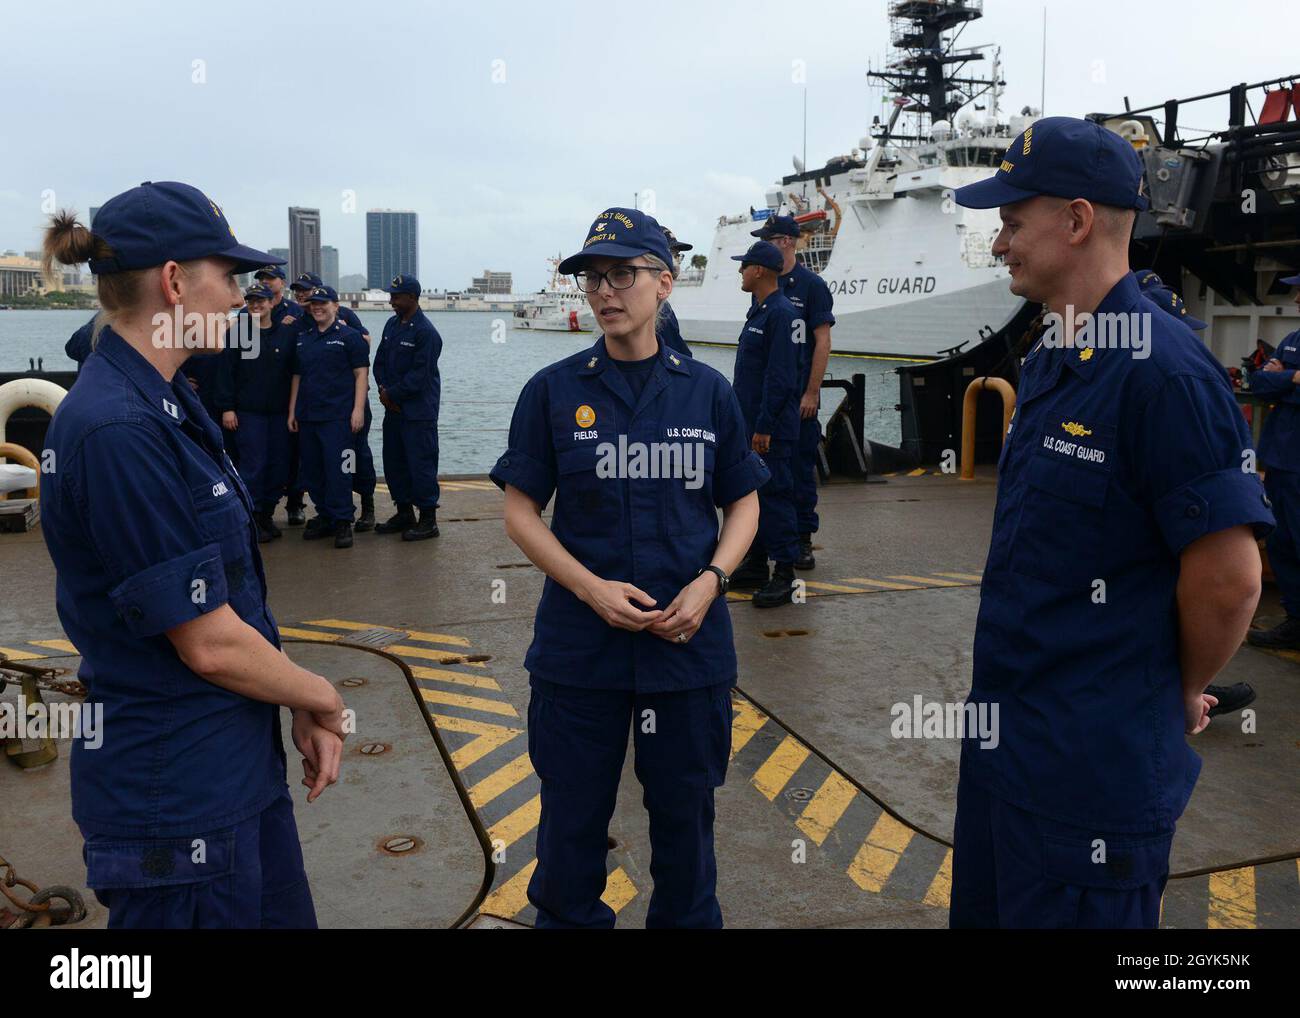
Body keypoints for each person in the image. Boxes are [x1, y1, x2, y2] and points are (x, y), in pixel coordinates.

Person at [948, 117, 1274, 929]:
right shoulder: (1056, 355)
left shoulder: (1165, 374)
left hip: (1089, 787)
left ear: (1078, 220)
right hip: (1007, 757)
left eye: (1013, 222)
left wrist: (1175, 688)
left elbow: (1231, 581)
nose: (1000, 245)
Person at [38, 182, 345, 929]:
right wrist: (321, 697)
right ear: (175, 283)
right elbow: (207, 641)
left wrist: (288, 698)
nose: (242, 297)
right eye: (229, 277)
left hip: (233, 777)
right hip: (177, 807)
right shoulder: (118, 430)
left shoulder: (165, 401)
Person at [489, 207, 767, 928]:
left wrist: (713, 581)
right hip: (581, 658)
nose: (605, 291)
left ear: (665, 283)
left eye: (622, 274)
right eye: (592, 278)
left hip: (686, 654)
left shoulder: (708, 392)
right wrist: (588, 588)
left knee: (686, 841)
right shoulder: (552, 392)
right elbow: (521, 512)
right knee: (570, 838)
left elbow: (743, 504)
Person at [750, 214, 835, 571]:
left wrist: (812, 392)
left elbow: (823, 340)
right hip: (770, 403)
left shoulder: (811, 286)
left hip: (799, 398)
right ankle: (764, 546)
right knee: (767, 475)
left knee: (799, 471)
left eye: (768, 239)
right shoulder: (765, 288)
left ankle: (801, 539)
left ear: (785, 241)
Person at [729, 240, 802, 608]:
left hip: (768, 429)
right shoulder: (758, 311)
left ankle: (786, 574)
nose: (739, 272)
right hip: (750, 424)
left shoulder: (782, 314)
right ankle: (756, 563)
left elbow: (781, 376)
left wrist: (765, 426)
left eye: (744, 266)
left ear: (758, 270)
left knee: (775, 497)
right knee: (752, 496)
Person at [286, 272, 376, 531]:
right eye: (312, 303)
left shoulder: (348, 330)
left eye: (322, 302)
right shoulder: (301, 331)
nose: (316, 306)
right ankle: (326, 515)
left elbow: (362, 368)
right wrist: (293, 410)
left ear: (335, 306)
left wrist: (357, 409)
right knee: (314, 467)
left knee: (346, 464)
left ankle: (350, 516)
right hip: (310, 412)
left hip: (341, 411)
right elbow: (297, 373)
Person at [215, 282, 297, 542]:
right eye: (251, 302)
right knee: (253, 466)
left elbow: (295, 372)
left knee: (277, 466)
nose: (256, 305)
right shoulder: (238, 333)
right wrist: (227, 408)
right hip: (249, 412)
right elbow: (225, 374)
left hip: (280, 413)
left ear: (272, 302)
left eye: (261, 300)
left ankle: (267, 516)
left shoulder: (286, 333)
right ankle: (252, 517)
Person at [1246, 271, 1300, 650]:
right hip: (1281, 460)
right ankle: (1296, 620)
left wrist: (1284, 380)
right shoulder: (1292, 340)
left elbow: (1272, 384)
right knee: (1281, 541)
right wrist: (1292, 379)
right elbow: (1259, 383)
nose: (1296, 299)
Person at [373, 274, 443, 540]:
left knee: (421, 464)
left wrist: (392, 394)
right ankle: (404, 512)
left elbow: (419, 376)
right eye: (391, 296)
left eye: (397, 296)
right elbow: (379, 362)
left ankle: (428, 519)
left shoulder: (426, 332)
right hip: (393, 409)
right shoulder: (391, 326)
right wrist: (382, 390)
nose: (391, 301)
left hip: (417, 413)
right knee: (394, 462)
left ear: (412, 298)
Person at [656, 226, 693, 358]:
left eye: (678, 255)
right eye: (674, 254)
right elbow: (678, 354)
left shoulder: (661, 305)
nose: (677, 260)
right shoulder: (659, 309)